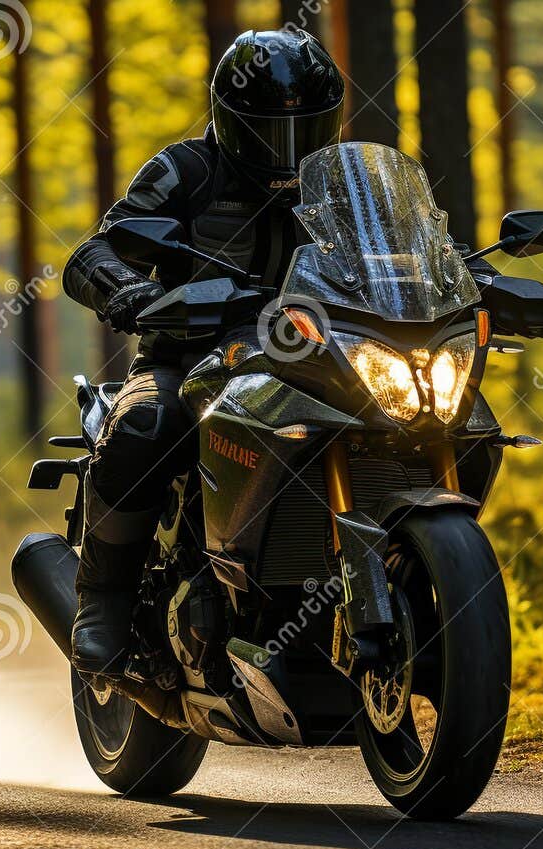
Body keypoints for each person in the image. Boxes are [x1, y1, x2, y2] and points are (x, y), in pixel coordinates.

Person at [59, 28, 346, 682]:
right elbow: (93, 251)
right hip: (189, 362)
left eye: (304, 129)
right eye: (271, 132)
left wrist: (471, 281)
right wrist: (127, 289)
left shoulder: (345, 183)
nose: (289, 149)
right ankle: (102, 601)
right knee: (144, 423)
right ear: (231, 120)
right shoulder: (185, 171)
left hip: (318, 362)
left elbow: (413, 250)